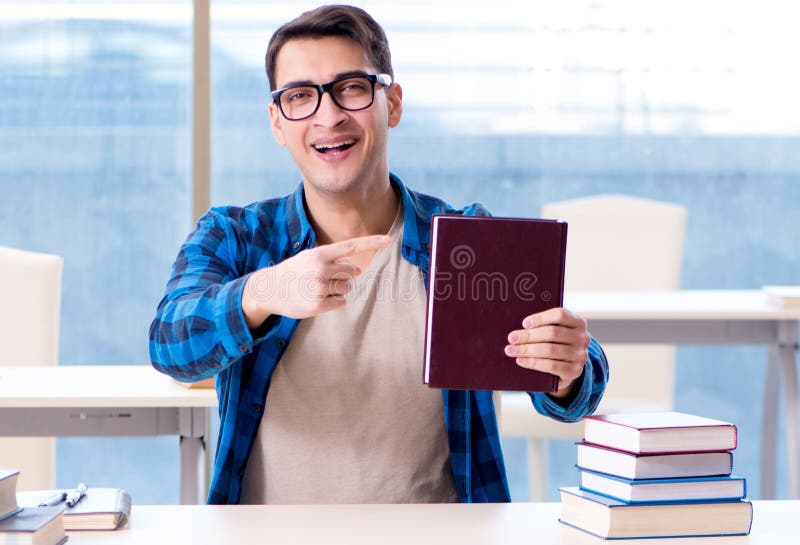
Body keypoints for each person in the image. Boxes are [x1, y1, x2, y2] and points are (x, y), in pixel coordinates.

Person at [149, 4, 608, 505]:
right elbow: (170, 347)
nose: (329, 116)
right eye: (300, 96)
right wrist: (265, 292)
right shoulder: (237, 237)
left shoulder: (462, 241)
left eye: (351, 88)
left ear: (391, 103)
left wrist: (569, 368)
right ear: (277, 123)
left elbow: (577, 390)